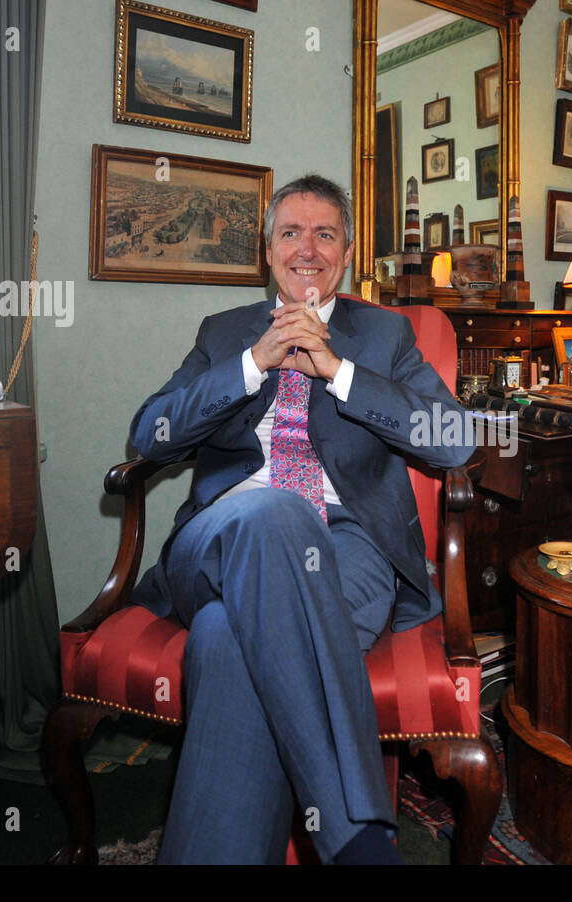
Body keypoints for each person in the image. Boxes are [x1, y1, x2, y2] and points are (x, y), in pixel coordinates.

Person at [127, 174, 473, 864]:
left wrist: (341, 371)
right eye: (290, 232)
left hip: (350, 551)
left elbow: (453, 437)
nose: (306, 248)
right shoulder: (224, 332)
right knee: (270, 510)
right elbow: (149, 433)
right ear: (268, 251)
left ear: (345, 254)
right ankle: (360, 838)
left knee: (228, 637)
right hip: (218, 541)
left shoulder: (385, 333)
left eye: (324, 234)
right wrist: (253, 365)